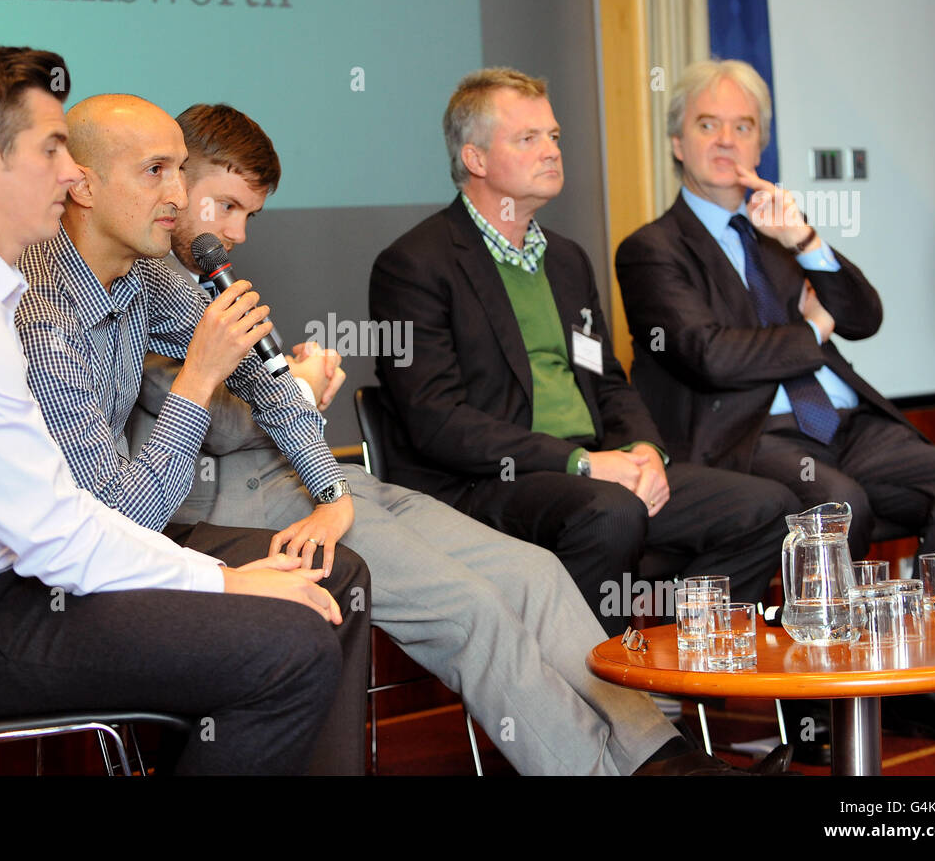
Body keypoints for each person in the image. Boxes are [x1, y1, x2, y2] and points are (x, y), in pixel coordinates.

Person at [114, 102, 791, 775]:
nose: (232, 233)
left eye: (246, 215)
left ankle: (664, 758)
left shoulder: (197, 277)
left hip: (322, 477)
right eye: (223, 206)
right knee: (471, 607)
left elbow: (254, 396)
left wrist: (292, 382)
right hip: (236, 506)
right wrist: (288, 384)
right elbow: (204, 415)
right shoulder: (138, 280)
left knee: (535, 574)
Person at [0, 46, 345, 775]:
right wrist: (226, 581)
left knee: (314, 591)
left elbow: (58, 514)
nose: (70, 173)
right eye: (52, 148)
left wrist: (294, 522)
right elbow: (57, 535)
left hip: (6, 586)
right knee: (293, 642)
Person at [614, 57, 935, 747]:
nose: (728, 141)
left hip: (842, 421)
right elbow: (710, 356)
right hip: (747, 434)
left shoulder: (776, 236)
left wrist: (806, 240)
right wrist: (811, 328)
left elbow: (864, 315)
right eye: (710, 125)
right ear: (677, 142)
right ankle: (815, 707)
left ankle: (927, 691)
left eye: (744, 127)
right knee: (839, 503)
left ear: (760, 146)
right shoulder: (651, 249)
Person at [369, 67, 797, 638]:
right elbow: (437, 422)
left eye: (554, 136)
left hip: (593, 468)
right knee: (611, 512)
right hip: (483, 485)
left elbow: (608, 381)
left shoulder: (567, 260)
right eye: (528, 139)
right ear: (474, 159)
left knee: (767, 508)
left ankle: (684, 671)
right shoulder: (415, 265)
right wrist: (583, 464)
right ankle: (595, 703)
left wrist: (645, 451)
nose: (550, 151)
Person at [13, 93, 369, 775]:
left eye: (181, 170)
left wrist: (331, 491)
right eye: (155, 171)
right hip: (60, 577)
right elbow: (119, 522)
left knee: (335, 569)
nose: (178, 194)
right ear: (81, 185)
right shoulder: (43, 316)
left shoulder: (147, 273)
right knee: (283, 632)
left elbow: (265, 374)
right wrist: (199, 377)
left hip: (120, 539)